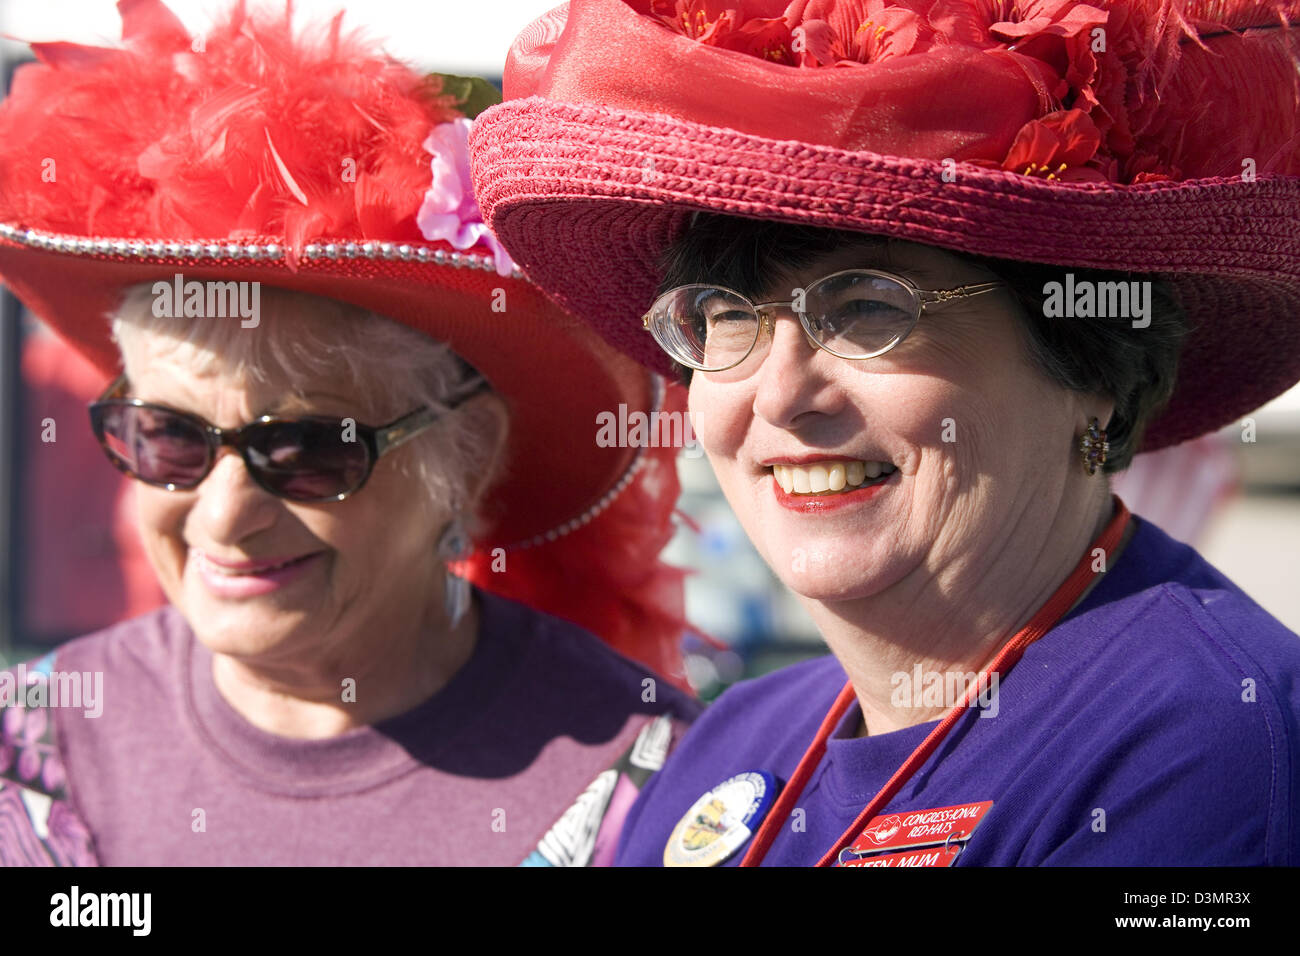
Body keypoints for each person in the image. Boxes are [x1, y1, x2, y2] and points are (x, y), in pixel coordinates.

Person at [470, 0, 1300, 865]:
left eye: (866, 309)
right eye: (724, 316)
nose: (780, 396)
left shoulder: (1209, 746)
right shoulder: (736, 745)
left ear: (1092, 366)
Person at [0, 0, 698, 866]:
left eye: (303, 451)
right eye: (170, 436)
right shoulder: (33, 753)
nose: (222, 518)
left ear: (467, 456)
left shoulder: (651, 780)